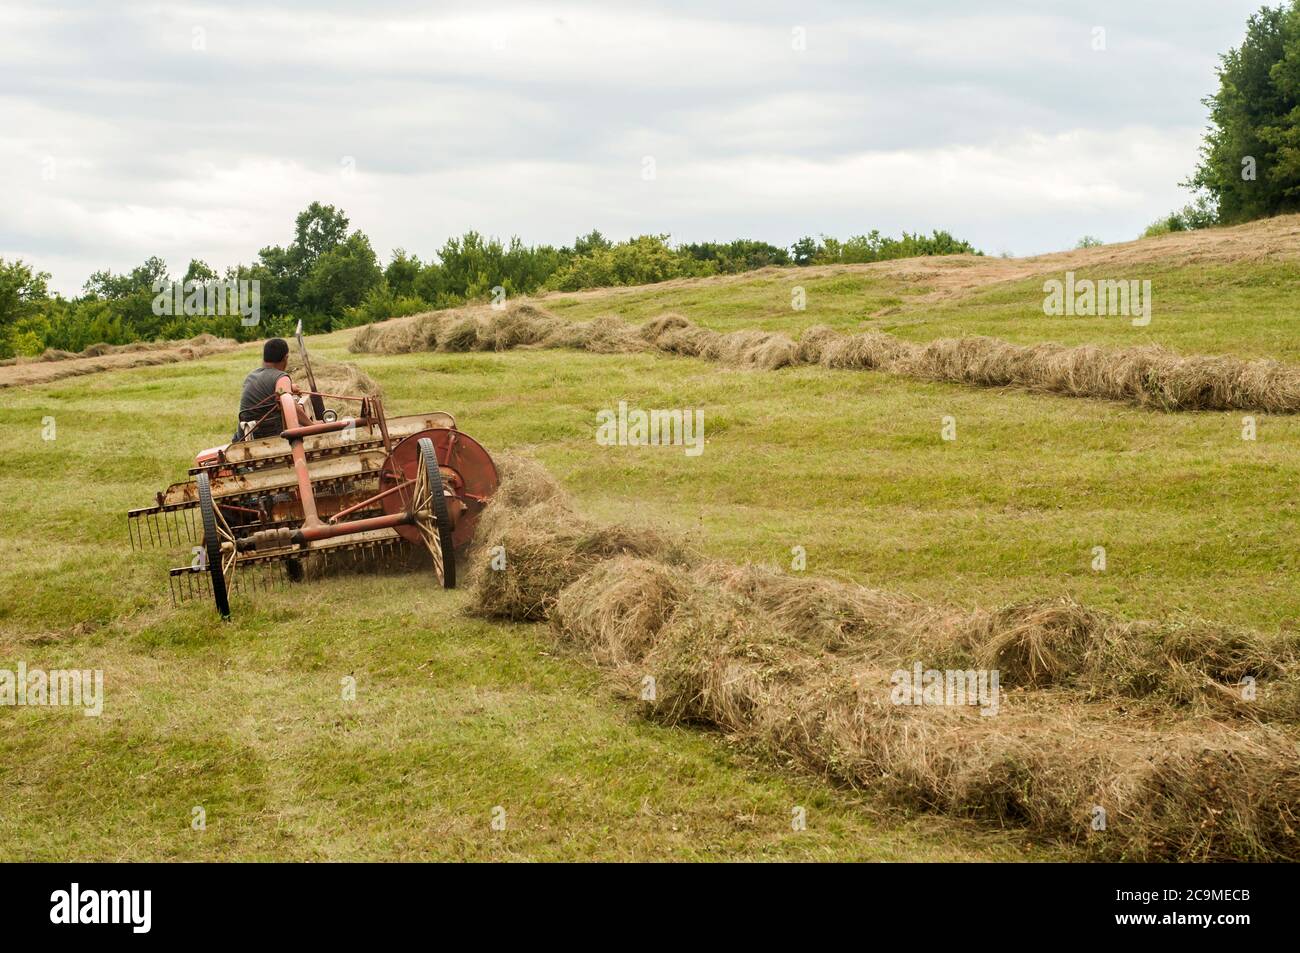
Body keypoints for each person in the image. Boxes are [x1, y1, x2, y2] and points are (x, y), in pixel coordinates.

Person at [235, 338, 313, 441]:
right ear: (286, 358)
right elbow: (285, 399)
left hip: (243, 435)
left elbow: (272, 390)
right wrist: (311, 425)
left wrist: (289, 387)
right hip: (267, 435)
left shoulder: (252, 375)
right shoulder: (281, 377)